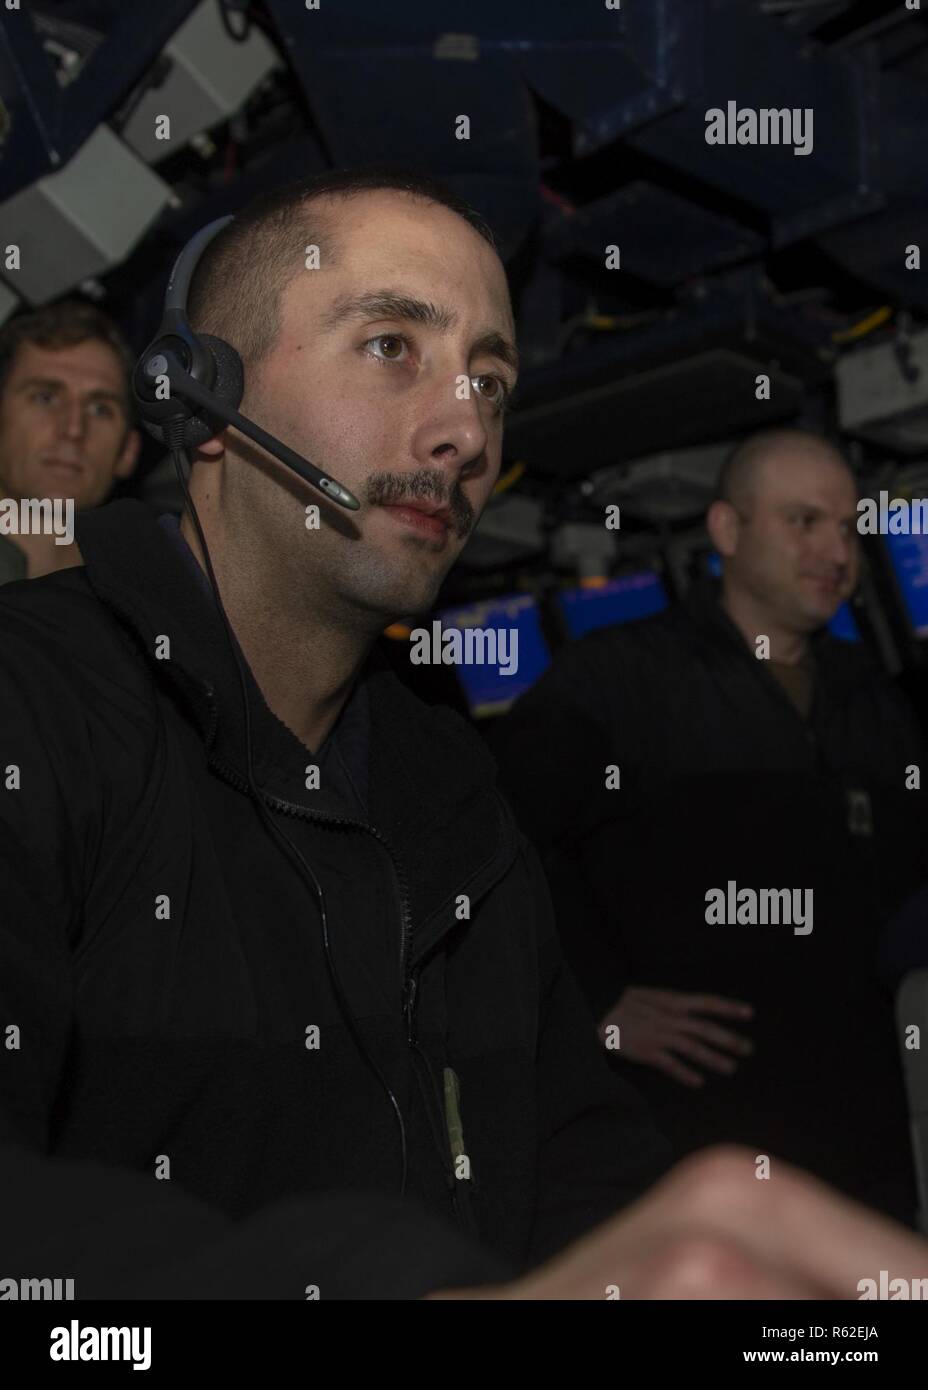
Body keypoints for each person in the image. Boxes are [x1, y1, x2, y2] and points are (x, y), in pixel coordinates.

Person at [0, 172, 925, 1300]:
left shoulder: (453, 794)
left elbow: (572, 1158)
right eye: (393, 345)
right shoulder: (34, 702)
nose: (465, 431)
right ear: (200, 400)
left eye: (489, 380)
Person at [495, 430, 928, 1229]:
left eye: (849, 527)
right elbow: (496, 838)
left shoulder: (875, 704)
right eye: (805, 521)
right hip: (687, 1140)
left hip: (859, 1140)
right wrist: (596, 1002)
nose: (838, 549)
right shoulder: (620, 677)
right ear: (728, 531)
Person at [0, 300, 140, 584]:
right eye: (45, 398)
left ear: (127, 451)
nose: (74, 429)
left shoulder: (142, 611)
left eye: (100, 409)